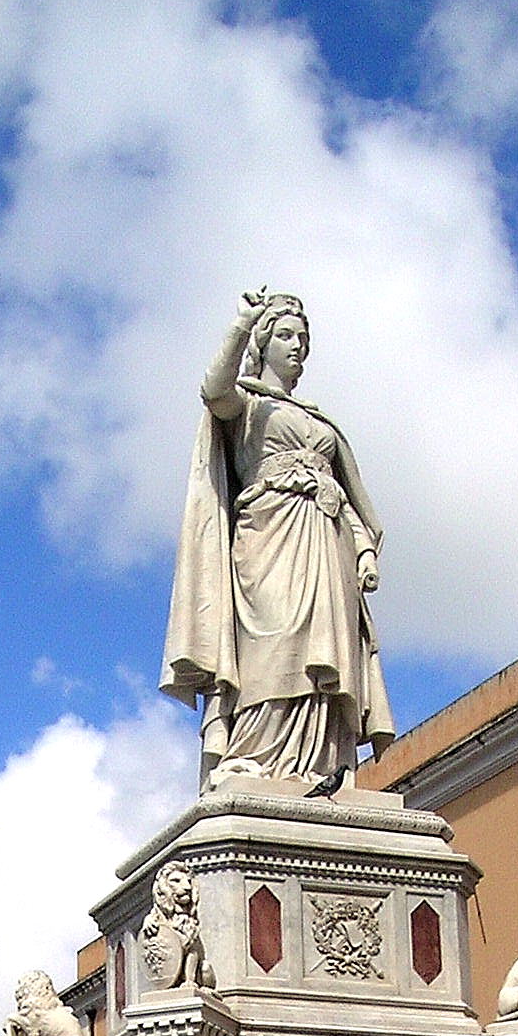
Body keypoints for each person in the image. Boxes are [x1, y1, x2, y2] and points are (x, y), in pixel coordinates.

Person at [163, 290, 396, 794]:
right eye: (286, 335)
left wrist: (363, 550)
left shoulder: (320, 421)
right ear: (264, 342)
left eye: (302, 339)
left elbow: (349, 498)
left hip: (327, 540)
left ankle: (320, 765)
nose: (297, 347)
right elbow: (213, 390)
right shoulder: (247, 403)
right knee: (274, 641)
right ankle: (254, 754)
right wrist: (240, 325)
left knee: (323, 649)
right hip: (267, 537)